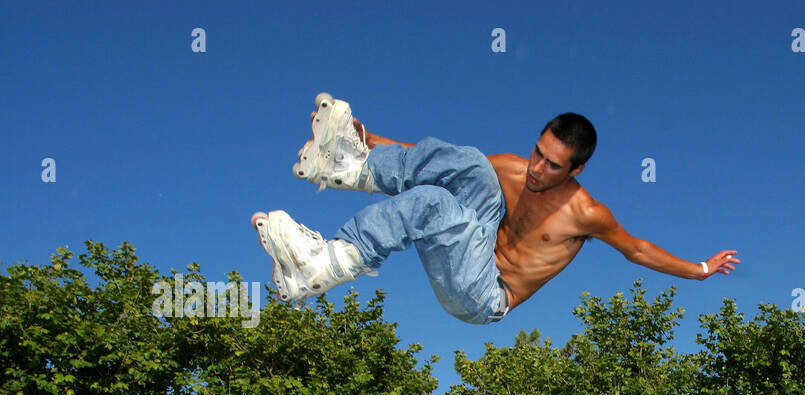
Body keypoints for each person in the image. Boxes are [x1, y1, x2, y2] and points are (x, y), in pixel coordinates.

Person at [253, 93, 740, 318]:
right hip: (469, 247)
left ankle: (320, 267)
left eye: (552, 166)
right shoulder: (512, 168)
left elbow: (636, 250)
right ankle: (349, 166)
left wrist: (698, 269)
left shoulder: (587, 214)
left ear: (576, 172)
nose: (535, 169)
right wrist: (365, 137)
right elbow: (430, 163)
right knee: (469, 165)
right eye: (537, 153)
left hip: (485, 295)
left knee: (436, 207)